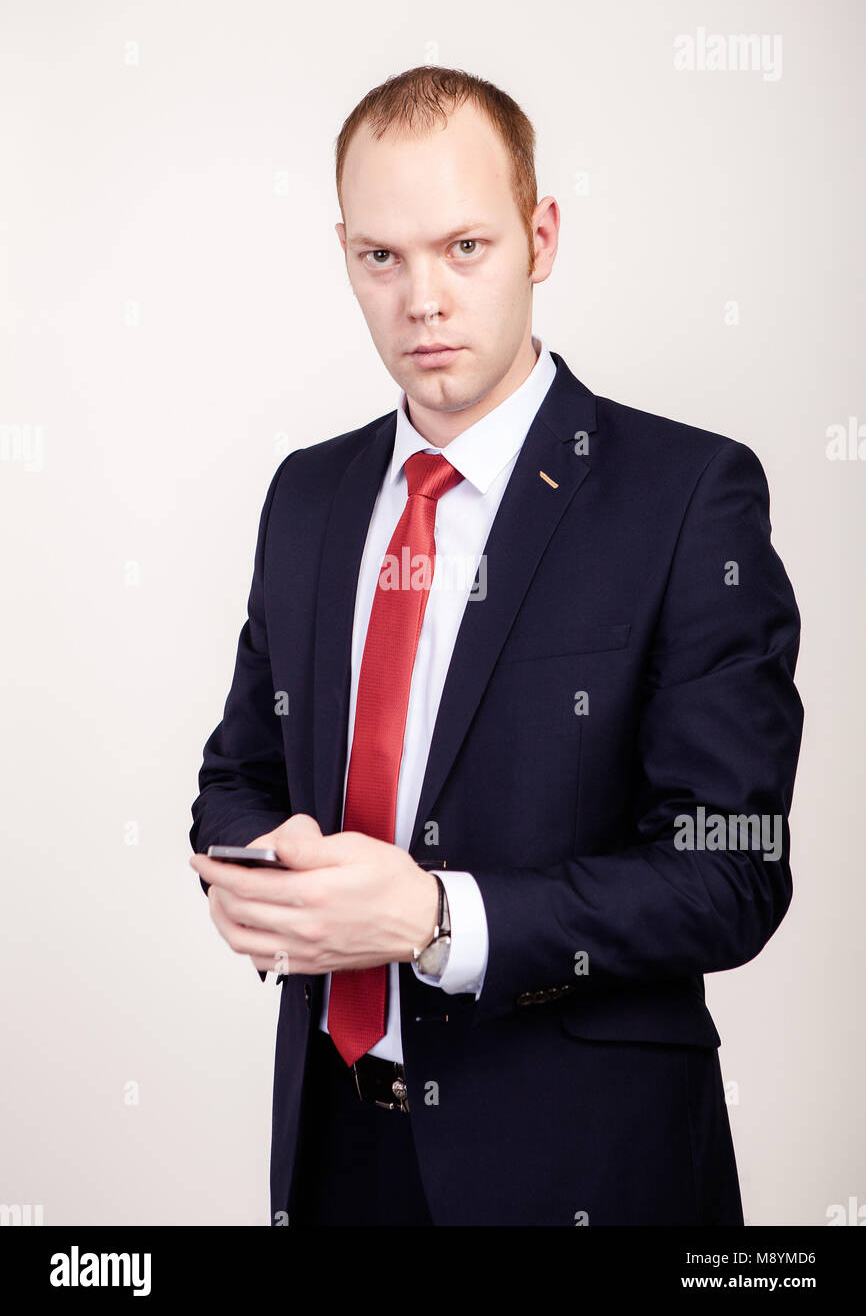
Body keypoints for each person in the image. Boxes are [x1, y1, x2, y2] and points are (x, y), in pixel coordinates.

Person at [189, 65, 803, 1226]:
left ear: (540, 237)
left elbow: (729, 872)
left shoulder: (685, 497)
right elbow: (238, 773)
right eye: (382, 256)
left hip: (577, 1164)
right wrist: (263, 868)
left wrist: (435, 918)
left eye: (463, 247)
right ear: (344, 255)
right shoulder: (307, 496)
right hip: (334, 1145)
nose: (422, 299)